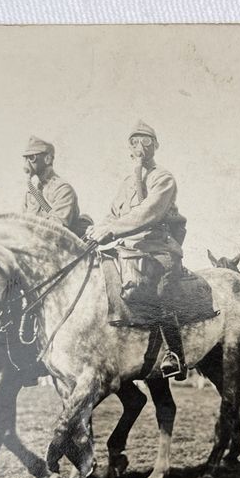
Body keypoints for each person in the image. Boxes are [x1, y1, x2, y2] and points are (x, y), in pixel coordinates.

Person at [85, 121, 189, 380]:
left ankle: (174, 355)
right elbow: (113, 213)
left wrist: (112, 230)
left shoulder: (162, 178)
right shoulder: (127, 183)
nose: (139, 146)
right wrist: (97, 228)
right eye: (134, 142)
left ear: (156, 145)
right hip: (128, 250)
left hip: (158, 250)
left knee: (162, 292)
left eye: (146, 140)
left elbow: (148, 212)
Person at [21, 136, 92, 237]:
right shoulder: (31, 193)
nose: (27, 163)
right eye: (25, 158)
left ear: (47, 159)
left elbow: (56, 229)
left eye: (32, 158)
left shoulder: (63, 190)